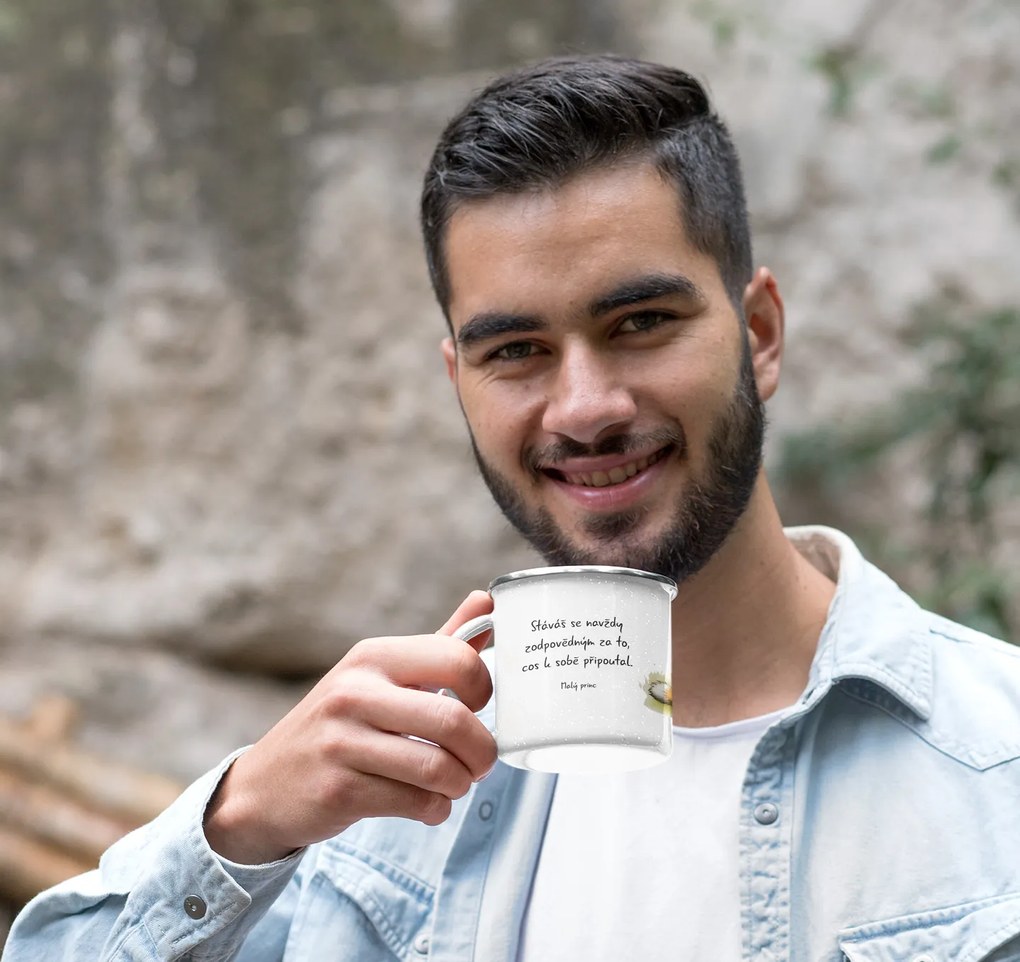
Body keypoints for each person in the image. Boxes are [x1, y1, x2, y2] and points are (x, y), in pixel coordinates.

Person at [7, 54, 1020, 962]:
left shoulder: (996, 763)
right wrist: (240, 820)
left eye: (641, 322)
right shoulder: (382, 794)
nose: (586, 407)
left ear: (758, 331)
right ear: (460, 378)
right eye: (516, 351)